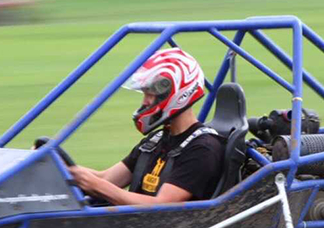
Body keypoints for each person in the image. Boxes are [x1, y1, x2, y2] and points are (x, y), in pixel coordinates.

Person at [70, 48, 224, 205]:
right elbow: (106, 178)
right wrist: (67, 171)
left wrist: (97, 185)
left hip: (171, 221)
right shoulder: (156, 140)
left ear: (176, 93)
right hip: (139, 219)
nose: (145, 102)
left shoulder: (202, 149)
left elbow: (162, 204)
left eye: (150, 93)